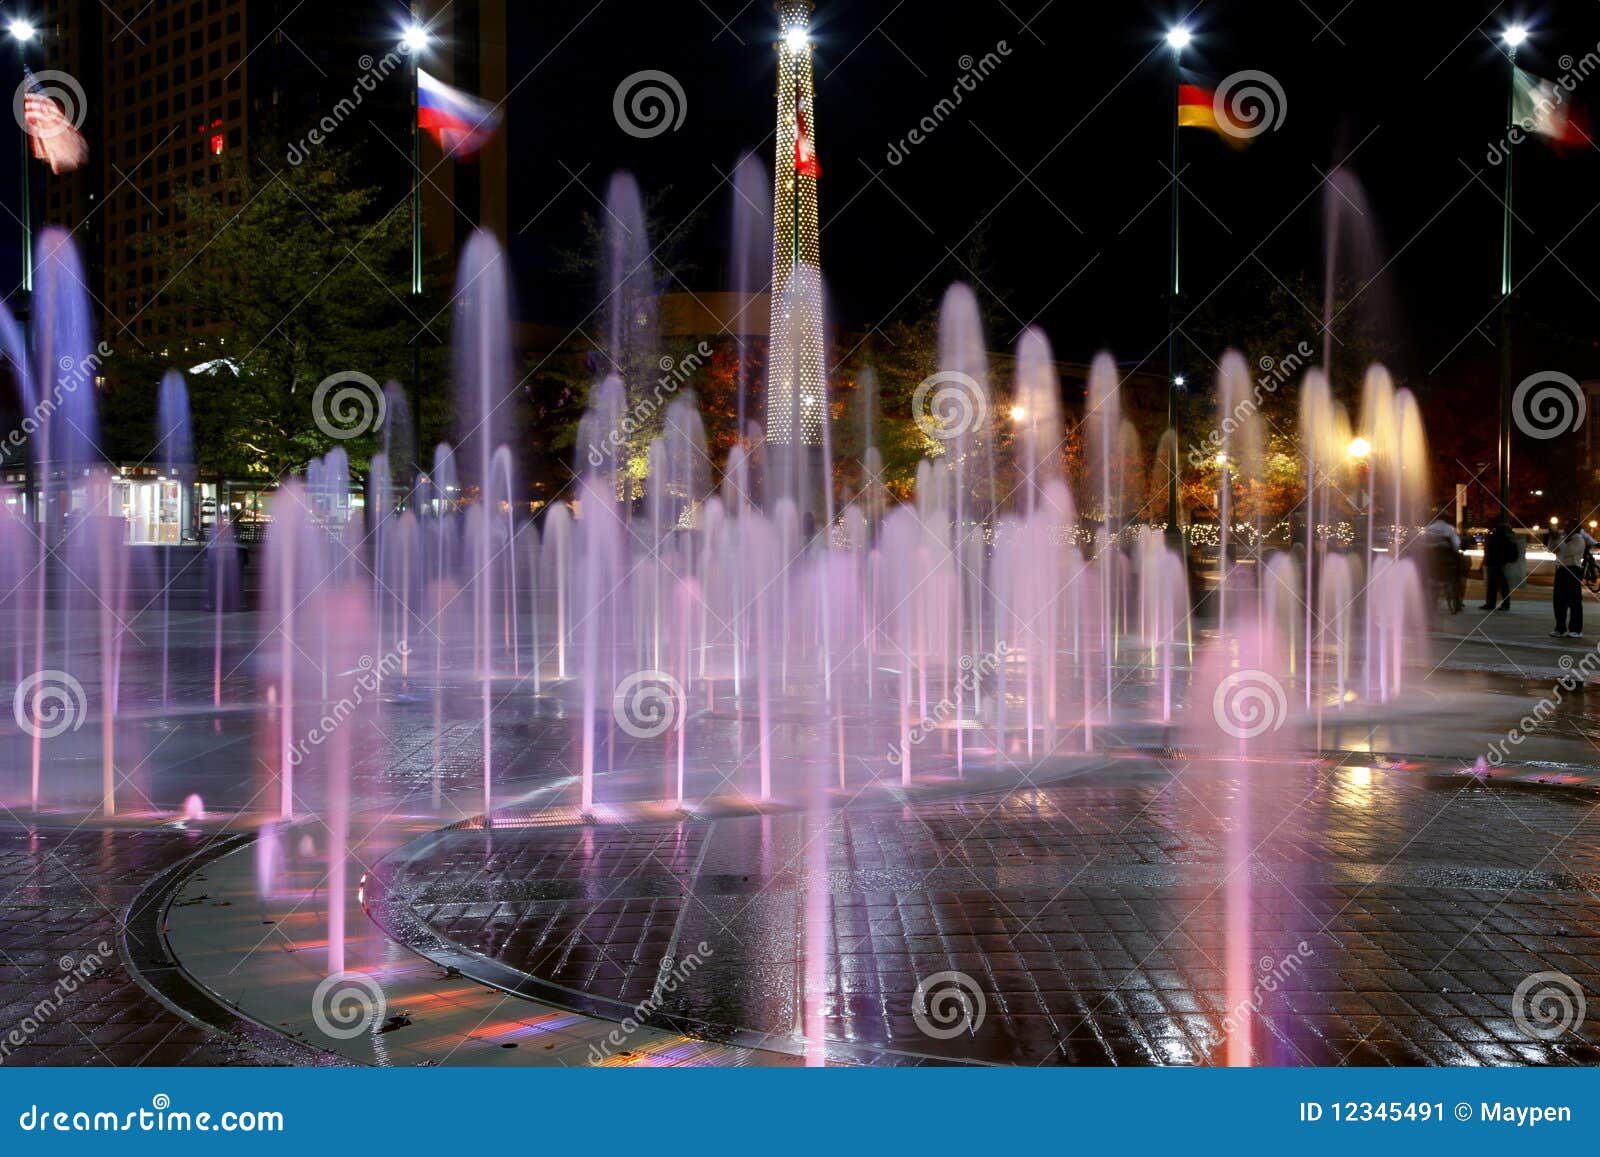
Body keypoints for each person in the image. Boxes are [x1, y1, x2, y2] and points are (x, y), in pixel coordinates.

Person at [1549, 518, 1596, 638]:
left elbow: (1566, 551)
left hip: (1573, 570)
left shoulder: (1578, 539)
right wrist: (1553, 537)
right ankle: (1560, 628)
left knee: (1574, 601)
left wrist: (1559, 538)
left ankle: (1576, 629)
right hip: (1561, 570)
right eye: (1566, 525)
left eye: (1568, 525)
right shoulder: (1563, 537)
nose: (1565, 527)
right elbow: (1552, 549)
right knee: (1558, 601)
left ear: (1575, 528)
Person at [1481, 520, 1518, 612]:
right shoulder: (1506, 538)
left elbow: (1490, 552)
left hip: (1495, 564)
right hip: (1501, 564)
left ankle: (1492, 603)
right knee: (1501, 585)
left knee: (1494, 585)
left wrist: (1485, 562)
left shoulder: (1495, 538)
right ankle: (1504, 604)